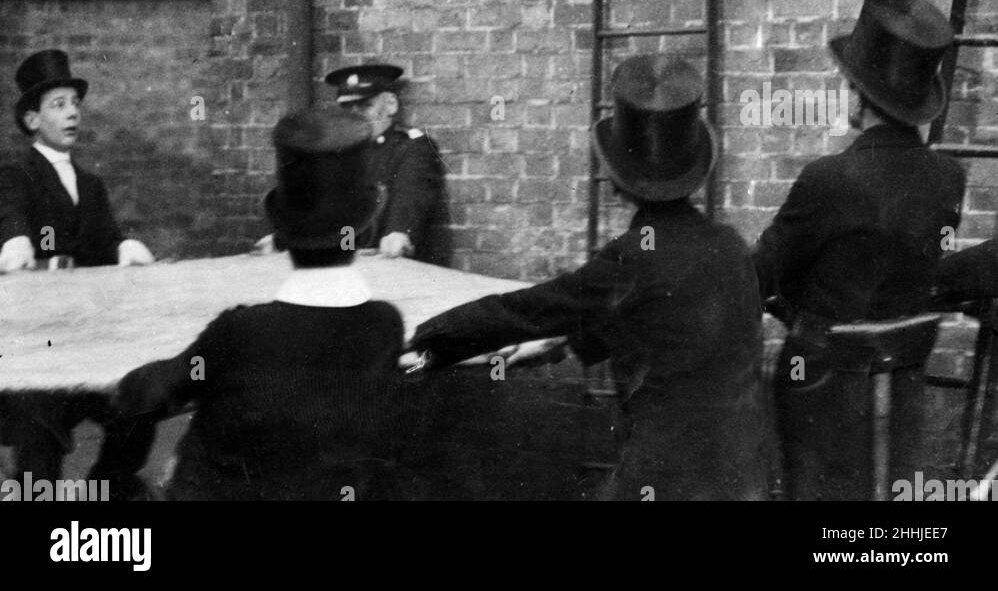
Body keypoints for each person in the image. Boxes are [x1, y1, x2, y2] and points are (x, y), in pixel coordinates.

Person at [408, 55, 768, 501]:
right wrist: (566, 344)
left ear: (618, 178)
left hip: (670, 477)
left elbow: (525, 310)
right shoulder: (729, 245)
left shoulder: (632, 258)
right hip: (742, 473)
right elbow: (666, 324)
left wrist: (429, 339)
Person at [113, 109, 414, 501]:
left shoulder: (242, 332)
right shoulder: (384, 325)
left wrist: (138, 380)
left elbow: (146, 395)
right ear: (365, 229)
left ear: (280, 233)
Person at [754, 0, 967, 501]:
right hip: (905, 392)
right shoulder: (950, 177)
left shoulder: (829, 179)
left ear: (857, 93)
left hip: (820, 393)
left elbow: (761, 274)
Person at [0, 49, 156, 498]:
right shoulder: (16, 174)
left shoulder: (91, 184)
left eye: (75, 104)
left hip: (90, 345)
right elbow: (9, 214)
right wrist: (14, 240)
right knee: (39, 435)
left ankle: (101, 490)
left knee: (139, 407)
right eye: (58, 105)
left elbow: (107, 240)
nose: (72, 114)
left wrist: (123, 245)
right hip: (36, 349)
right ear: (32, 121)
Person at [325, 63, 445, 263]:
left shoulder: (411, 147)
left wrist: (399, 231)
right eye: (347, 108)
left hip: (392, 267)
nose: (354, 116)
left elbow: (411, 192)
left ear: (390, 104)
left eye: (365, 106)